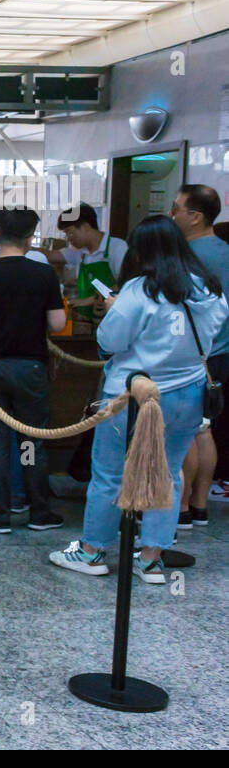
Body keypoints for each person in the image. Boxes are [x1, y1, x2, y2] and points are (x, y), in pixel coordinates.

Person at [51, 215, 228, 584]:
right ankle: (151, 559)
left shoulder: (139, 290)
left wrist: (115, 309)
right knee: (168, 471)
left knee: (110, 474)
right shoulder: (209, 289)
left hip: (130, 395)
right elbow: (210, 336)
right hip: (188, 394)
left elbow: (110, 342)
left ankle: (92, 550)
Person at [0, 206, 67, 533]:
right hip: (31, 367)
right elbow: (58, 323)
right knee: (31, 442)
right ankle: (39, 513)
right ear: (30, 237)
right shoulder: (43, 273)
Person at [169, 184, 229, 530]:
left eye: (176, 209)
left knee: (184, 432)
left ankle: (181, 508)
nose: (172, 214)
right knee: (204, 430)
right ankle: (201, 504)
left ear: (195, 217)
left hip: (195, 356)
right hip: (220, 352)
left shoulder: (189, 257)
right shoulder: (224, 250)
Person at [40, 203, 127, 319]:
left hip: (110, 318)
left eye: (70, 232)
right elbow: (51, 256)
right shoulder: (79, 252)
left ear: (86, 227)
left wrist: (91, 300)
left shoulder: (117, 247)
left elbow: (126, 284)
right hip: (85, 319)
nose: (68, 238)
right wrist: (21, 244)